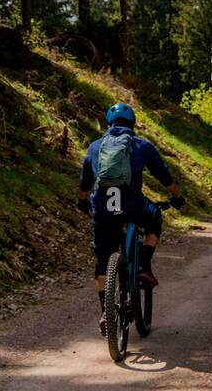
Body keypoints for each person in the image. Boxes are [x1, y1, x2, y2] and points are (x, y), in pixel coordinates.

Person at [78, 103, 184, 334]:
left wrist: (83, 201)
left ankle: (107, 312)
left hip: (103, 207)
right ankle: (144, 265)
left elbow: (85, 182)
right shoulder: (142, 145)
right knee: (154, 218)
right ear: (133, 123)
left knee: (103, 261)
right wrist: (176, 197)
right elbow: (164, 175)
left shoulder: (95, 147)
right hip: (132, 204)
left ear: (108, 124)